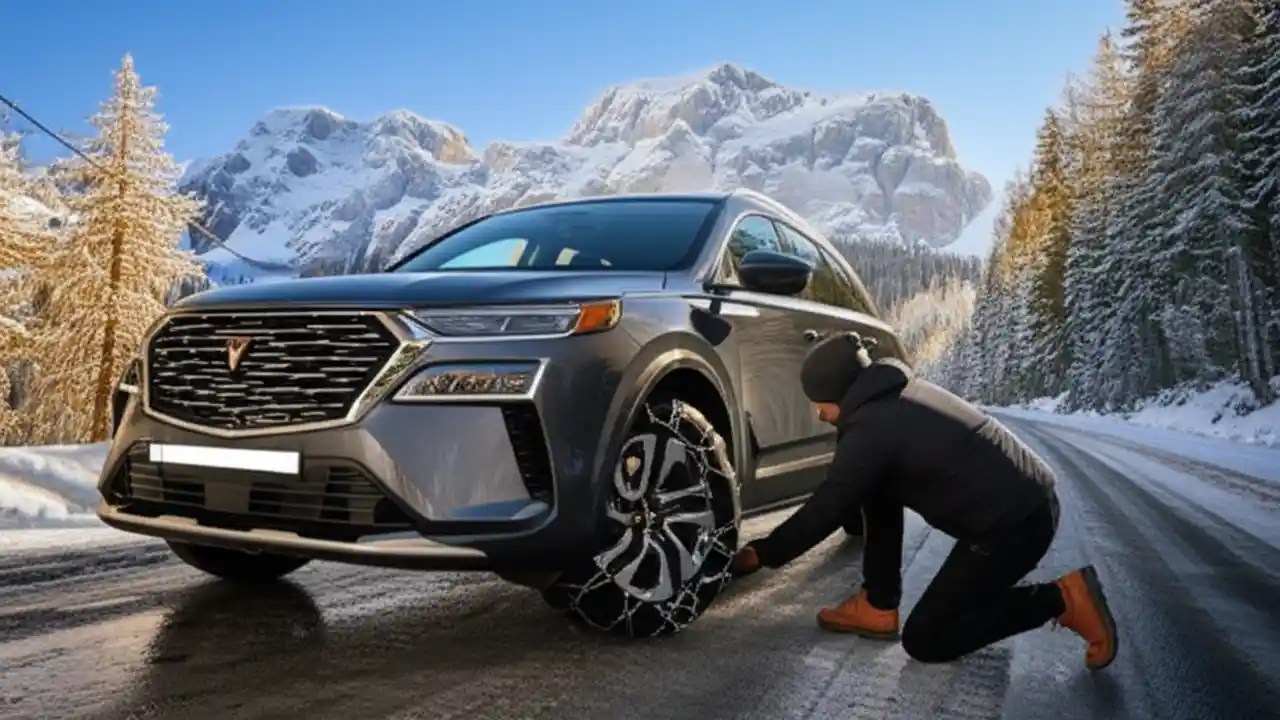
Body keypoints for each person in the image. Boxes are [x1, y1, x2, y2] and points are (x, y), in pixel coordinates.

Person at [730, 332, 1119, 671]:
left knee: (928, 638)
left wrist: (762, 553)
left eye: (819, 402)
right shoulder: (891, 397)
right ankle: (878, 604)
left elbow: (828, 507)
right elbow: (854, 490)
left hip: (1014, 526)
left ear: (838, 392)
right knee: (875, 485)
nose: (818, 413)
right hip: (1024, 503)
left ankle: (1061, 599)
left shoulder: (871, 429)